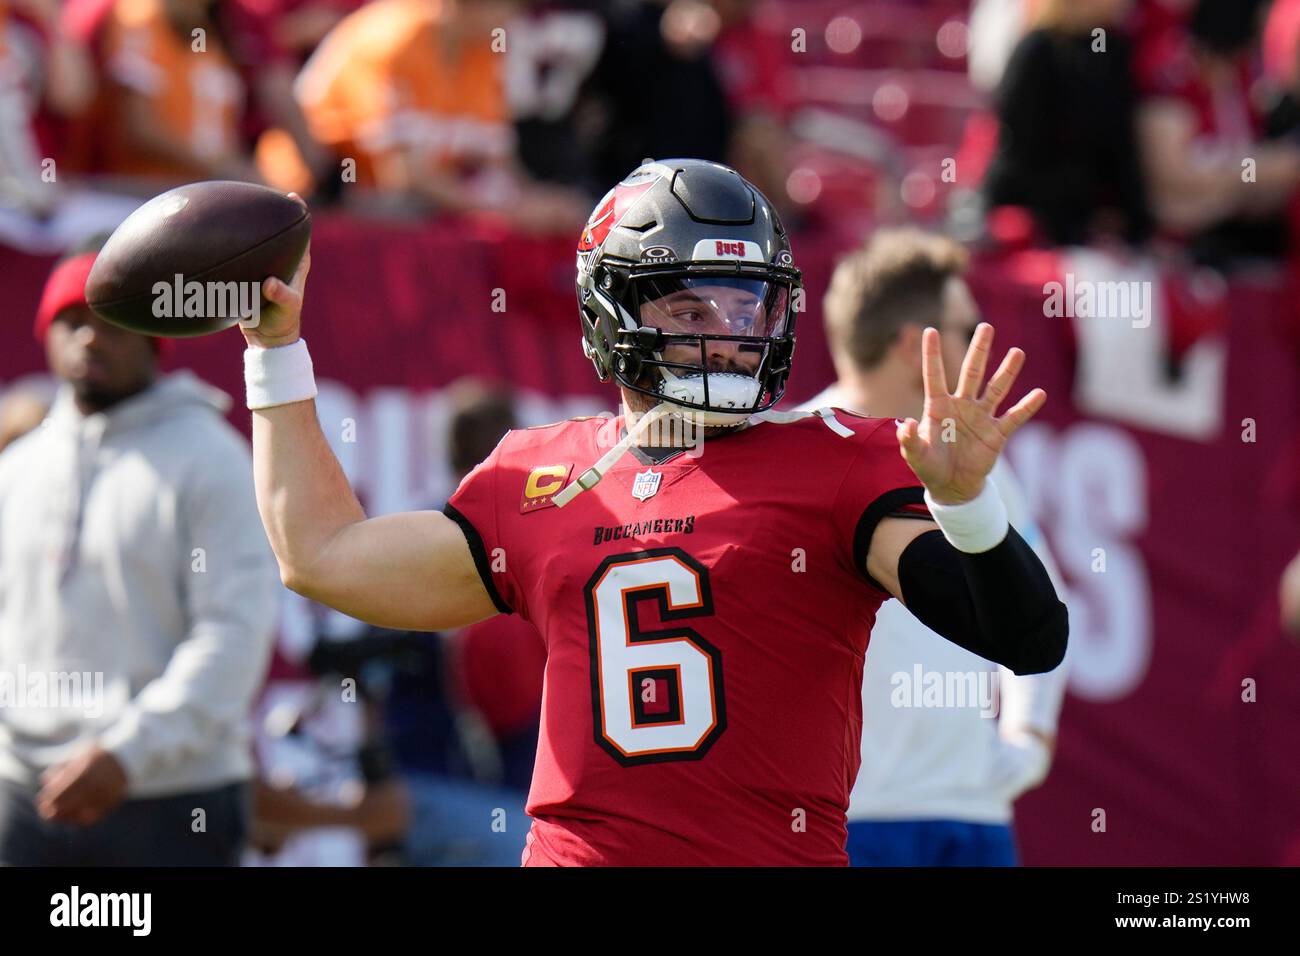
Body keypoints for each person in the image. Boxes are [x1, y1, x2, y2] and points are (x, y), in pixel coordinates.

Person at [242, 160, 1068, 866]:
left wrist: (966, 506)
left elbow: (1027, 639)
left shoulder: (838, 461)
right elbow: (321, 555)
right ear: (613, 308)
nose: (731, 335)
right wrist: (275, 355)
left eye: (748, 307)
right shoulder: (537, 475)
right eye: (691, 309)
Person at [0, 237, 279, 865]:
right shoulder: (15, 469)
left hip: (172, 802)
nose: (91, 340)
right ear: (45, 332)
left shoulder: (212, 460)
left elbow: (235, 634)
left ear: (154, 334)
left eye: (111, 322)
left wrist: (128, 755)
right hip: (24, 797)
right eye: (71, 321)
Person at [802, 227, 1068, 866]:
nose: (980, 341)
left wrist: (1029, 736)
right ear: (910, 344)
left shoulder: (976, 464)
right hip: (844, 820)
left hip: (969, 817)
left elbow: (1044, 605)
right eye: (963, 326)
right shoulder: (797, 454)